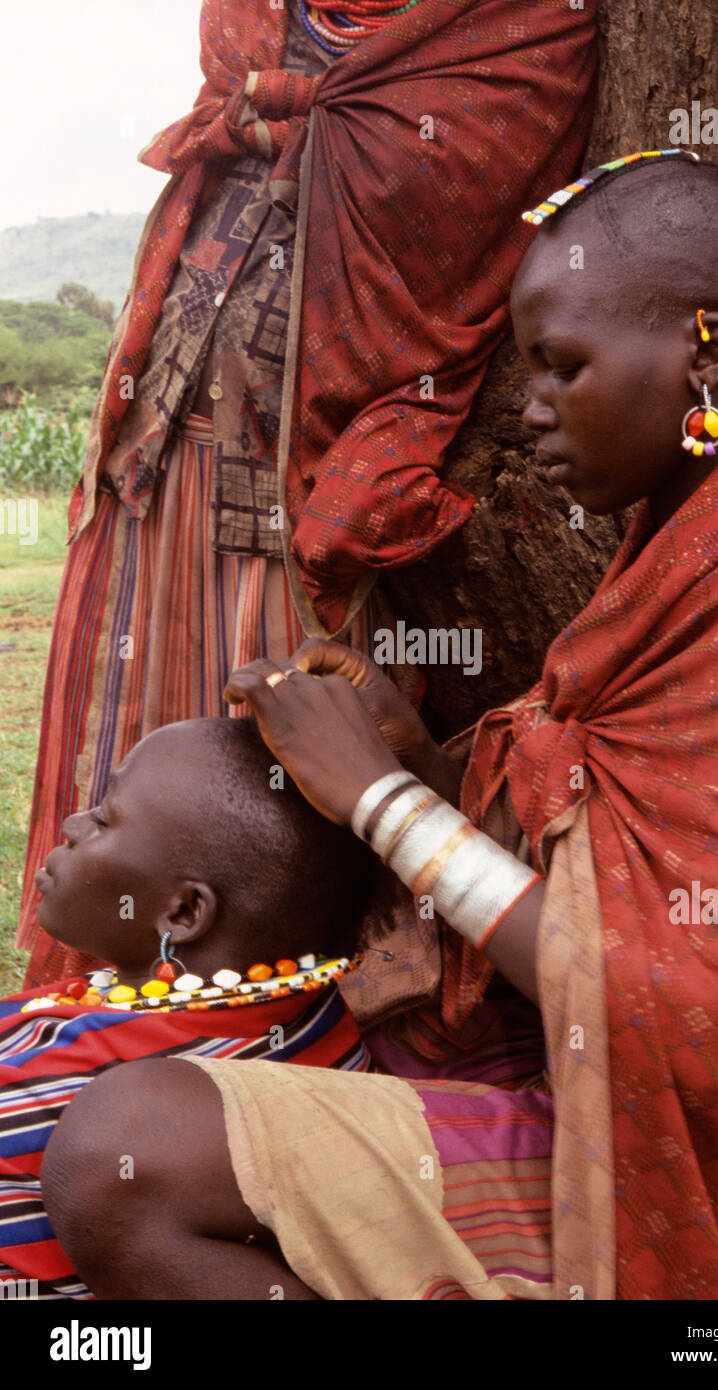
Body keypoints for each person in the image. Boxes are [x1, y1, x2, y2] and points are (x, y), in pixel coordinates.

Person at [42, 151, 718, 1301]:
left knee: (126, 1153)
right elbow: (606, 833)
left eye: (559, 367)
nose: (526, 410)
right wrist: (424, 756)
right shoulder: (697, 541)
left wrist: (382, 798)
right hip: (577, 1096)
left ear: (705, 352)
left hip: (703, 1190)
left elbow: (691, 1005)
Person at [18, 0, 599, 986]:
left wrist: (316, 120)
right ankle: (120, 994)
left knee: (267, 781)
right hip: (161, 471)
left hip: (299, 491)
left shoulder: (517, 25)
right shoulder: (258, 16)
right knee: (146, 752)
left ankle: (254, 1036)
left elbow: (452, 190)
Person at [1, 716, 374, 1298]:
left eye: (104, 819)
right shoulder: (310, 1014)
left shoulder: (40, 1080)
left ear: (180, 915)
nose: (73, 824)